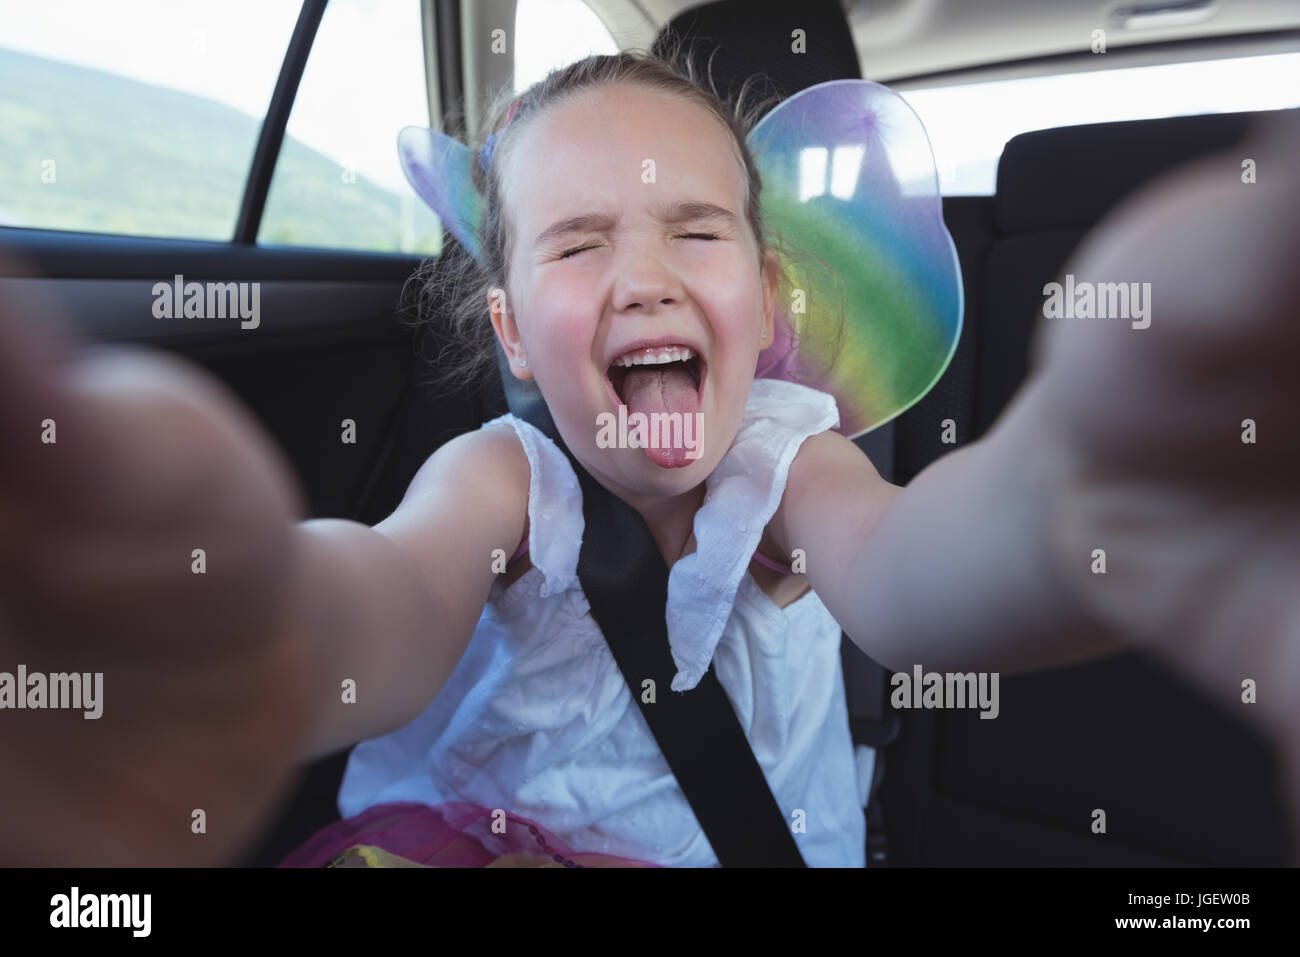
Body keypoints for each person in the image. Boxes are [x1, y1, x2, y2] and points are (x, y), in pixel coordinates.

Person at [0, 50, 1296, 867]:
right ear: (508, 325)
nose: (645, 278)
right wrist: (253, 633)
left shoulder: (792, 468)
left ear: (767, 298)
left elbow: (914, 570)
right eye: (576, 244)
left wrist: (1069, 493)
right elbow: (386, 595)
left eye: (697, 231)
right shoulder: (509, 478)